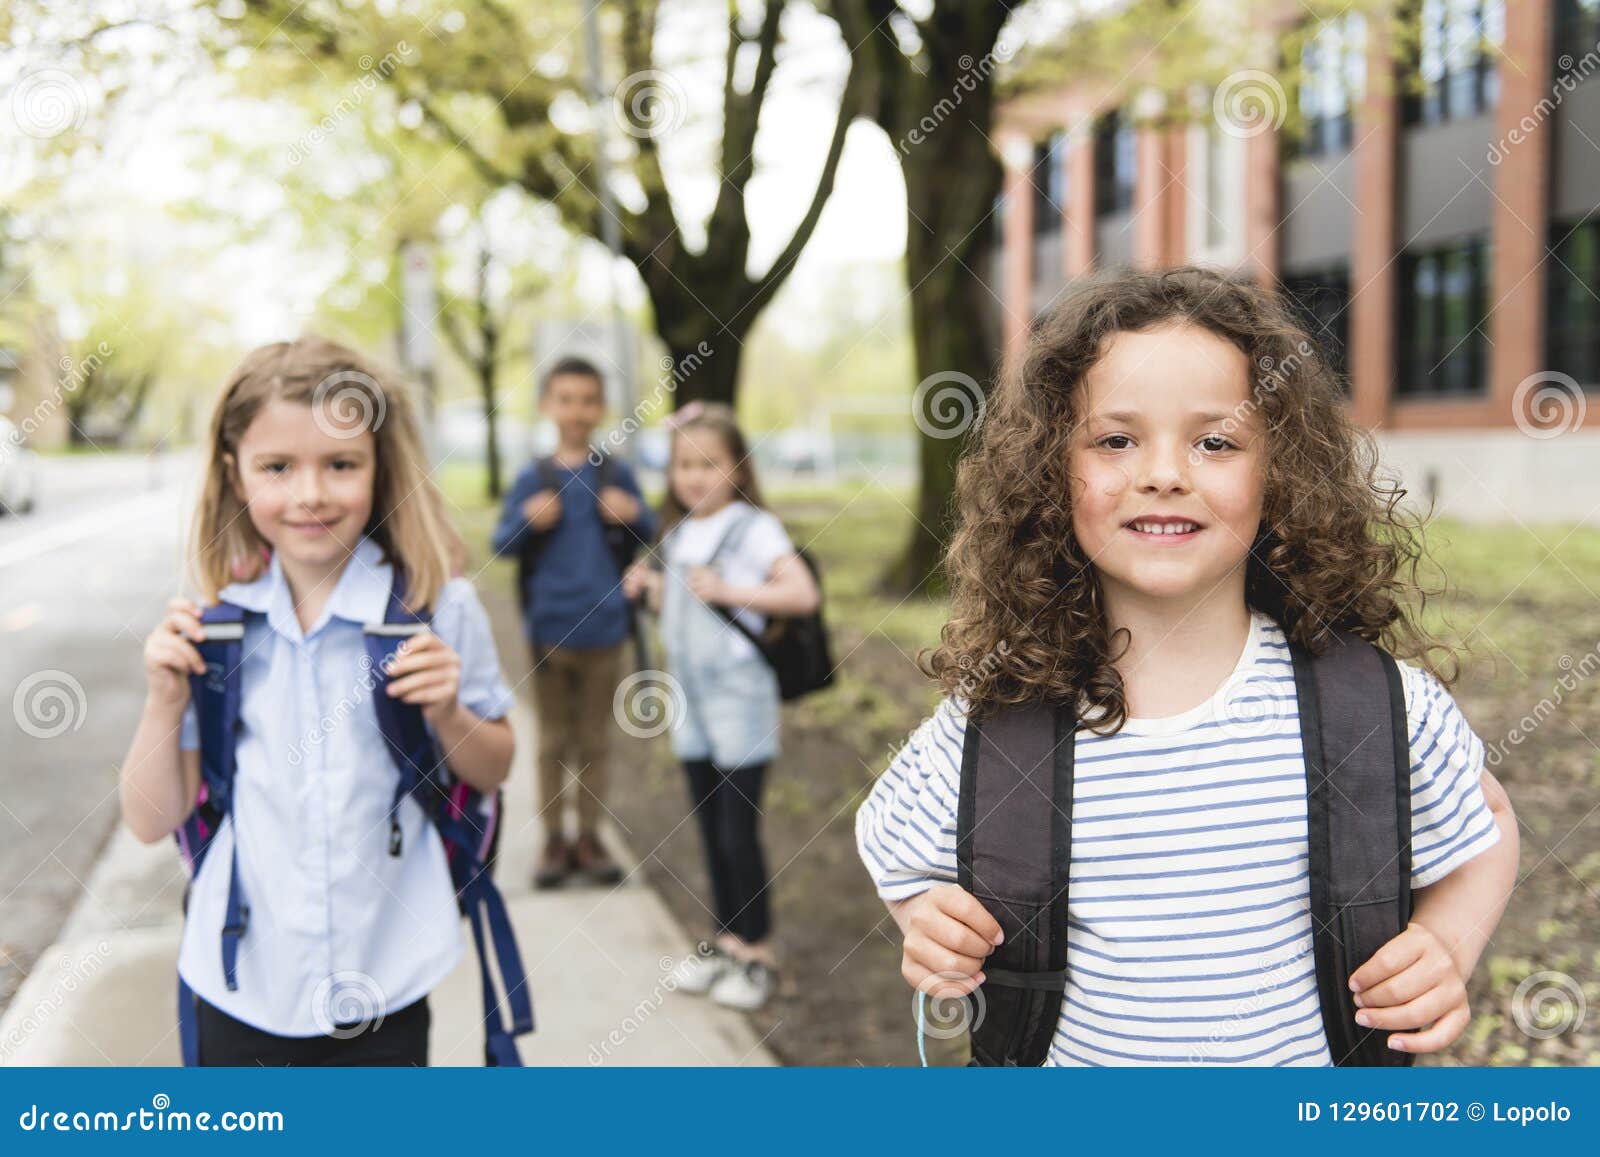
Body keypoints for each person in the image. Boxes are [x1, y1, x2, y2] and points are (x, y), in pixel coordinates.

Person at [855, 266, 1520, 1065]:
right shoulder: (997, 716)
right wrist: (929, 918)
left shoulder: (1372, 706)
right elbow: (889, 842)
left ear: (1278, 473)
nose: (1164, 472)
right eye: (1115, 439)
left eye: (1215, 441)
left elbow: (1489, 826)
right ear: (1051, 473)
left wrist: (1448, 943)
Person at [120, 336, 516, 1066]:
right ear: (236, 476)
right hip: (240, 983)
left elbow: (492, 767)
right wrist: (162, 702)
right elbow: (150, 821)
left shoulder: (440, 609)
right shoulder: (213, 627)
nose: (310, 494)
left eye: (340, 464)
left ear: (379, 469)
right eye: (277, 467)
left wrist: (449, 712)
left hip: (384, 979)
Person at [623, 401, 819, 1011]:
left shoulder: (752, 526)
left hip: (739, 696)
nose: (695, 476)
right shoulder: (679, 532)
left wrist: (729, 588)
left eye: (710, 463)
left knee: (739, 830)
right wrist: (653, 591)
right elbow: (682, 613)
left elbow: (801, 593)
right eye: (684, 464)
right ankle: (725, 940)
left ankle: (758, 953)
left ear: (737, 468)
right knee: (709, 829)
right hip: (692, 699)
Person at [491, 356, 655, 888]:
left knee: (596, 740)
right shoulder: (532, 477)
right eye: (565, 399)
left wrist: (632, 513)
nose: (576, 410)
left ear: (601, 407)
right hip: (547, 633)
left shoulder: (615, 473)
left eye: (587, 400)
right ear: (546, 405)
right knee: (551, 742)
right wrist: (525, 521)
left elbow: (649, 526)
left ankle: (589, 836)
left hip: (606, 630)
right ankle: (552, 840)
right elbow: (502, 545)